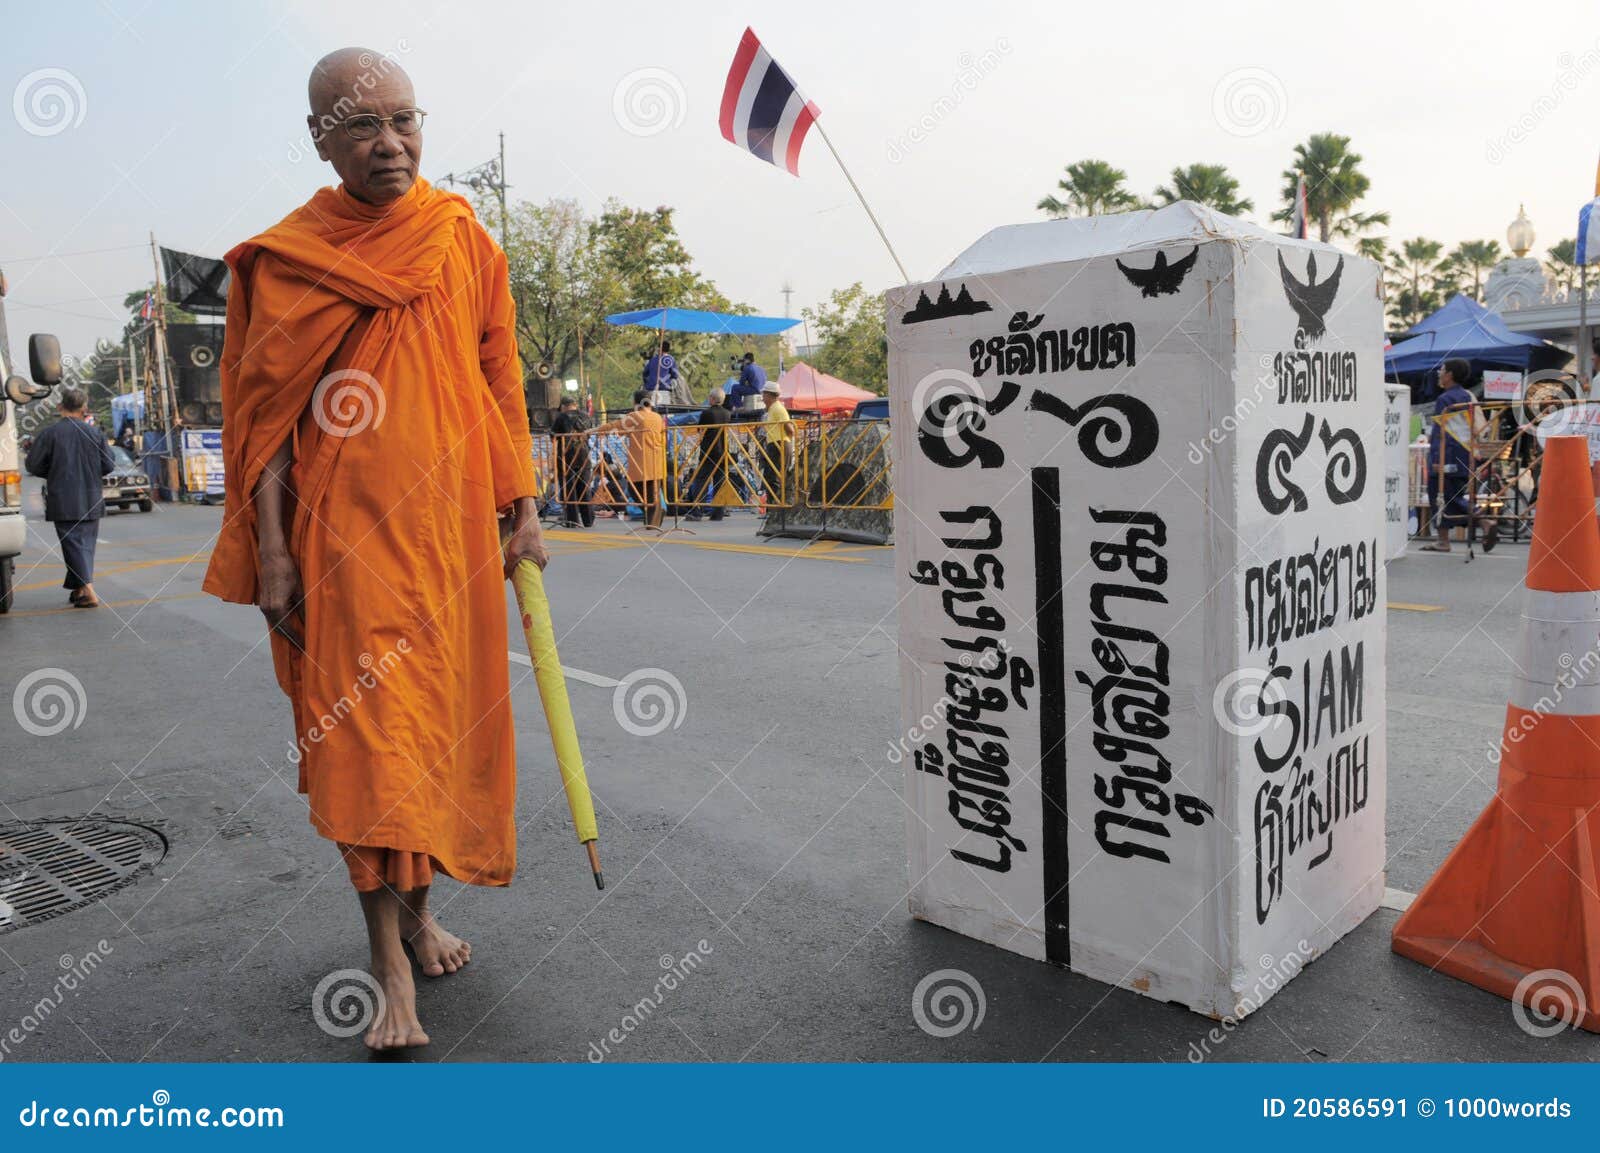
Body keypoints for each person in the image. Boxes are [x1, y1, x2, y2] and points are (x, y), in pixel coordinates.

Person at [201, 48, 548, 1052]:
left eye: (405, 120)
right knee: (366, 744)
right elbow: (260, 424)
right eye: (363, 126)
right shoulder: (282, 261)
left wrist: (520, 502)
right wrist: (270, 553)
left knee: (432, 736)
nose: (391, 144)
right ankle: (386, 958)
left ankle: (423, 911)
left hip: (448, 540)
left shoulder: (458, 236)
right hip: (339, 542)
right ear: (321, 139)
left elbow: (498, 371)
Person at [24, 387, 113, 608]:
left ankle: (90, 592)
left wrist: (53, 471)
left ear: (60, 407)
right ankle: (79, 589)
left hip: (63, 498)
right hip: (91, 497)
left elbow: (33, 465)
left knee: (72, 545)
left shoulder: (50, 434)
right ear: (84, 408)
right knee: (85, 546)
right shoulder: (95, 434)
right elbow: (109, 465)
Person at [1422, 358, 1491, 553]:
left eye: (1442, 370)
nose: (1439, 373)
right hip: (1464, 455)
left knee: (1443, 497)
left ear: (1449, 374)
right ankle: (1443, 539)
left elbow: (1443, 434)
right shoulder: (1467, 396)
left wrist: (1437, 459)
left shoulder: (1445, 400)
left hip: (1447, 457)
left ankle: (1483, 521)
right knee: (1451, 496)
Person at [593, 390, 667, 529]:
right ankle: (653, 517)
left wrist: (596, 430)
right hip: (656, 460)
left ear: (636, 402)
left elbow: (615, 426)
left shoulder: (636, 416)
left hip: (641, 462)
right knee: (652, 492)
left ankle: (653, 514)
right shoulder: (658, 417)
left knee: (636, 491)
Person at [683, 387, 732, 522]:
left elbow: (700, 429)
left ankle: (697, 511)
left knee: (701, 480)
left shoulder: (707, 413)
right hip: (723, 452)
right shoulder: (727, 414)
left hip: (709, 451)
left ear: (712, 398)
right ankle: (718, 512)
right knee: (719, 481)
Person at [551, 395, 594, 528]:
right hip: (584, 456)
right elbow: (590, 433)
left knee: (569, 489)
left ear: (563, 406)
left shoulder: (561, 417)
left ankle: (572, 520)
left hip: (566, 457)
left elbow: (553, 436)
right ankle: (588, 520)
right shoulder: (586, 416)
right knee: (584, 488)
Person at [759, 379, 794, 509]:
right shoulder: (773, 409)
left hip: (780, 444)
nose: (762, 398)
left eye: (764, 395)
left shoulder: (778, 409)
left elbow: (790, 429)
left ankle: (776, 508)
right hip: (775, 444)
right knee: (770, 476)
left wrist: (784, 441)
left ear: (769, 395)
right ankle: (772, 507)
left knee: (775, 478)